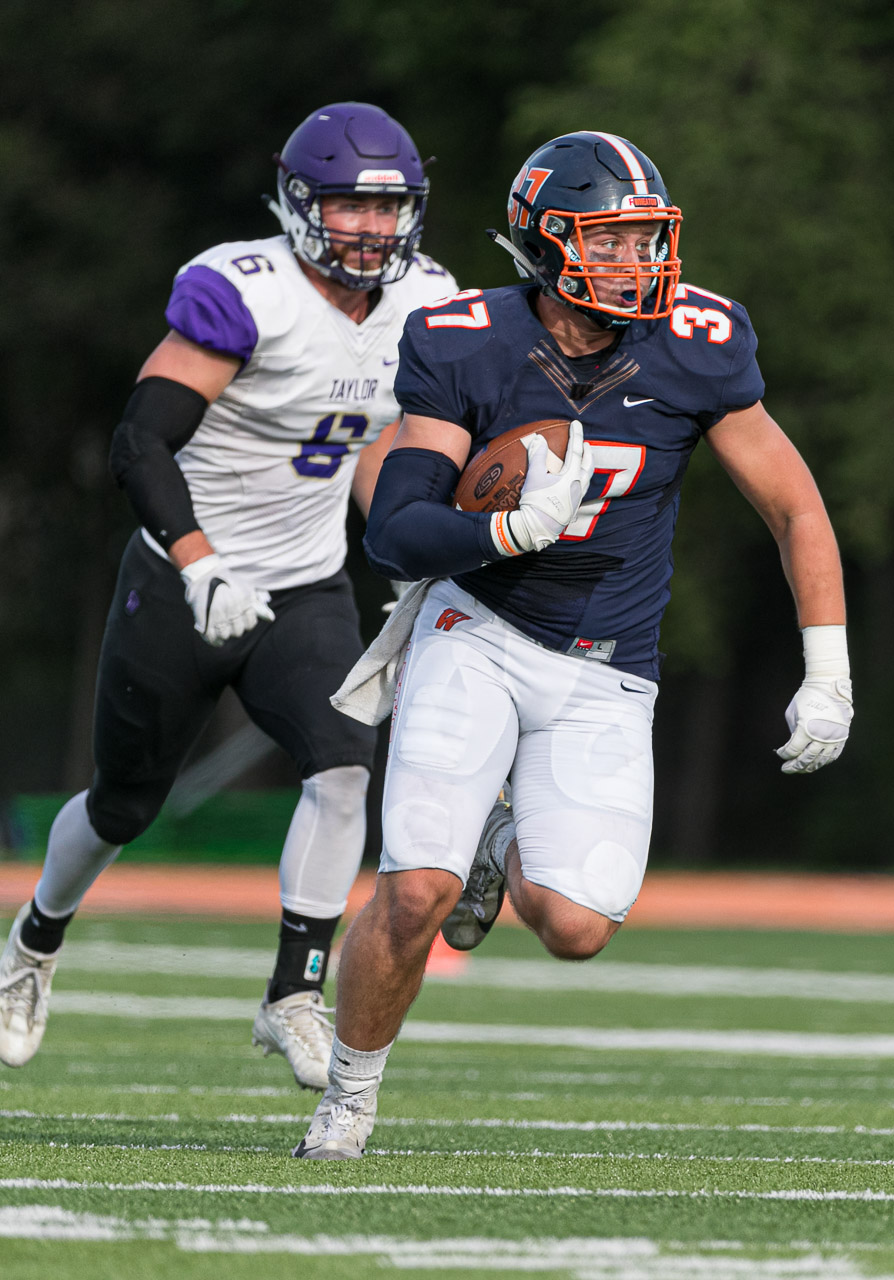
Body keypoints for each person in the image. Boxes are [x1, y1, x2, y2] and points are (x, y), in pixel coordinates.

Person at [292, 131, 855, 1159]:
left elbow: (794, 507)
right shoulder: (469, 341)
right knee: (414, 884)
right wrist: (499, 531)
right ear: (547, 247)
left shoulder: (699, 341)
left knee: (577, 927)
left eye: (649, 239)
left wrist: (830, 670)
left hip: (609, 666)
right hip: (480, 629)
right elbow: (397, 522)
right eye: (616, 241)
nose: (642, 263)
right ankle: (349, 1096)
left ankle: (497, 847)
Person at [0, 103, 459, 1090]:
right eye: (346, 206)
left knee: (343, 766)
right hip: (182, 577)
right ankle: (37, 938)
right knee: (124, 803)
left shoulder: (426, 297)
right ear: (299, 203)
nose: (370, 229)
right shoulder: (245, 290)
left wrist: (412, 546)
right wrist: (199, 564)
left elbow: (371, 435)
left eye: (387, 209)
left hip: (304, 583)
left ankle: (293, 992)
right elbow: (140, 440)